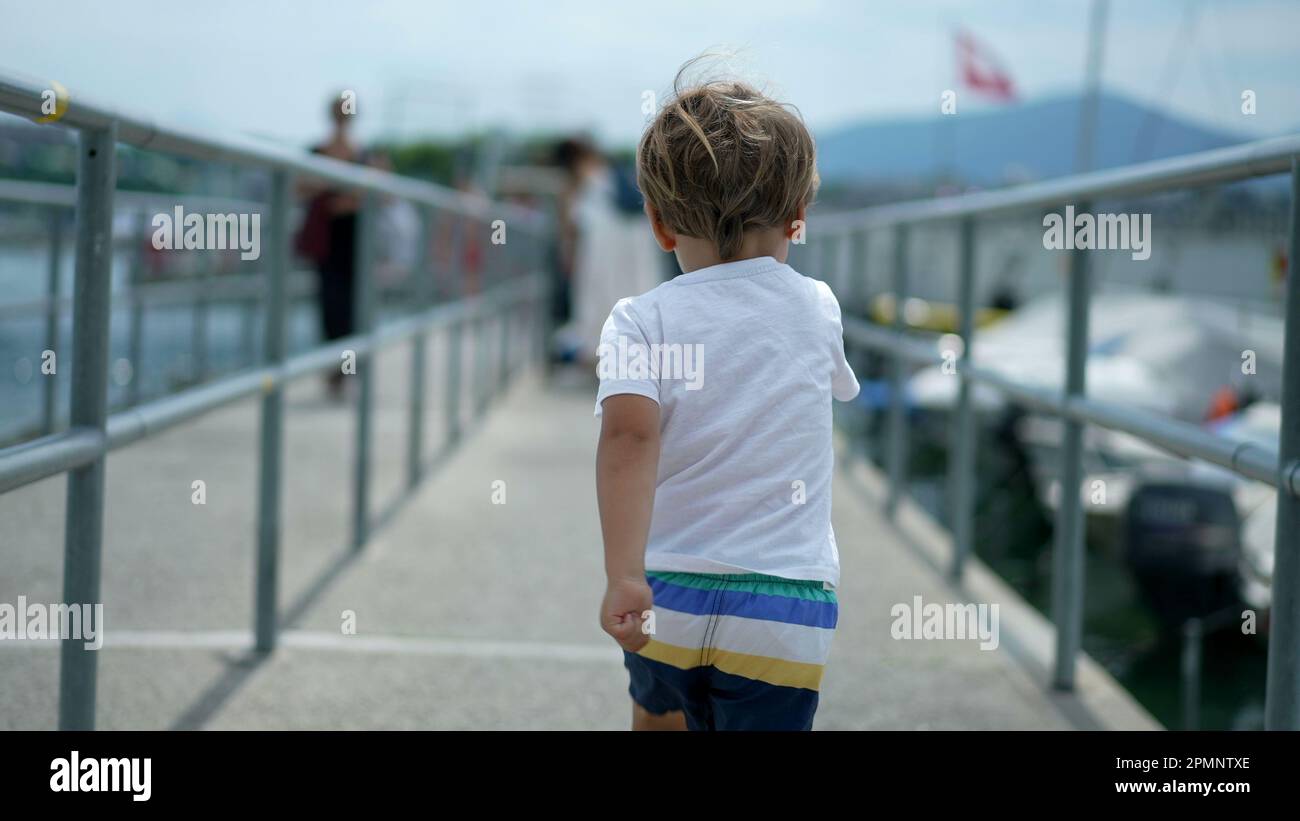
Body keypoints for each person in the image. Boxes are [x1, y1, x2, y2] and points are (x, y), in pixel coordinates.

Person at [594, 63, 859, 731]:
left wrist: (625, 574)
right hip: (784, 606)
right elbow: (832, 388)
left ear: (658, 224)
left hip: (668, 593)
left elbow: (629, 439)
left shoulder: (637, 318)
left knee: (657, 709)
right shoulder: (818, 306)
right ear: (798, 218)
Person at [296, 93, 365, 400]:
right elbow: (299, 187)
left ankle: (344, 373)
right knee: (328, 308)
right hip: (327, 242)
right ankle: (333, 372)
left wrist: (329, 188)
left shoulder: (361, 153)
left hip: (354, 243)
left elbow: (368, 195)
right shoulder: (320, 150)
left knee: (350, 310)